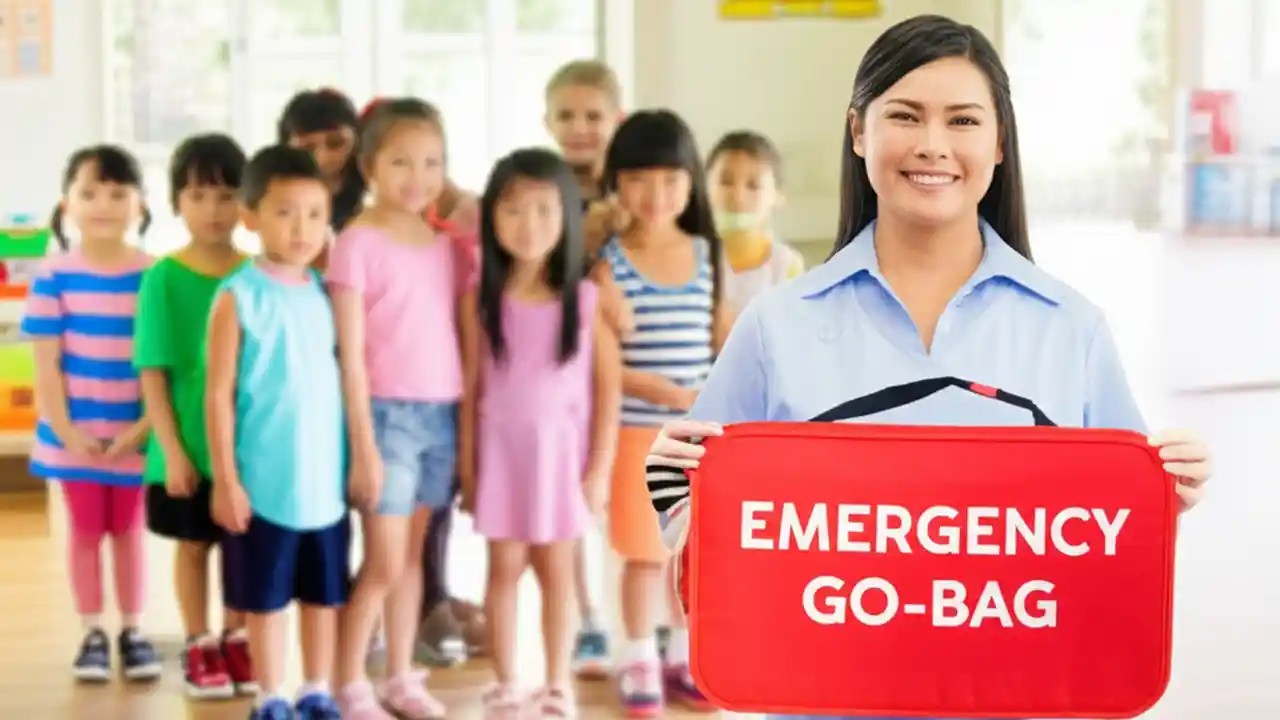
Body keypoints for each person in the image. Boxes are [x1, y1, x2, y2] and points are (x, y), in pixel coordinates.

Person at [642, 16, 1213, 720]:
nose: (933, 145)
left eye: (964, 120)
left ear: (1000, 143)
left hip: (1013, 701)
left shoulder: (1073, 329)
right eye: (905, 116)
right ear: (859, 132)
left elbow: (1103, 556)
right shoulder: (776, 326)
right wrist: (679, 490)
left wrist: (1166, 497)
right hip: (825, 702)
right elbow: (710, 546)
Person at [458, 147, 622, 719]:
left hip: (561, 463)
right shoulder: (481, 300)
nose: (529, 226)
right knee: (502, 570)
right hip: (502, 459)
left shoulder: (585, 298)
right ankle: (507, 681)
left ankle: (556, 683)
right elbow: (472, 391)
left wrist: (599, 470)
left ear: (568, 219)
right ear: (491, 219)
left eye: (544, 211)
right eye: (513, 211)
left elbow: (608, 393)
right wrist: (469, 466)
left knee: (557, 572)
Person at [328, 98, 463, 720]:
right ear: (368, 165)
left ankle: (401, 676)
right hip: (384, 420)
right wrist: (363, 446)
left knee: (412, 559)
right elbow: (350, 357)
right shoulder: (355, 243)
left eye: (432, 162)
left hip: (442, 416)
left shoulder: (446, 245)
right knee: (381, 560)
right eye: (402, 161)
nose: (418, 175)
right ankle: (347, 682)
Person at [594, 109, 731, 716]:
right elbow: (597, 366)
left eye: (671, 179)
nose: (655, 195)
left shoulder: (707, 253)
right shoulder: (607, 263)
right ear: (616, 184)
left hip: (696, 437)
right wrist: (655, 388)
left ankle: (683, 654)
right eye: (638, 179)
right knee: (644, 555)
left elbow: (722, 341)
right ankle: (640, 654)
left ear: (691, 183)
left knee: (692, 555)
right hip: (633, 435)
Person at [207, 145, 348, 720]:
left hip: (326, 487)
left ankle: (316, 687)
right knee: (266, 601)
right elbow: (217, 393)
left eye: (316, 214)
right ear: (250, 217)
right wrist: (226, 480)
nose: (302, 227)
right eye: (286, 212)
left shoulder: (327, 292)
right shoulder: (238, 296)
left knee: (323, 596)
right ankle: (270, 696)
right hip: (264, 484)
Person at [22, 145, 160, 684]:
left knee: (128, 529)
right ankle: (92, 632)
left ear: (141, 207)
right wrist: (66, 430)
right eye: (89, 192)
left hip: (135, 436)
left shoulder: (155, 276)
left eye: (118, 192)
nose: (104, 203)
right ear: (66, 206)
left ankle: (133, 630)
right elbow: (46, 364)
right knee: (85, 530)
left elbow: (162, 364)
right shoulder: (53, 276)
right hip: (73, 437)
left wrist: (143, 429)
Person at [135, 133, 255, 700]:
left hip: (244, 446)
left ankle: (237, 635)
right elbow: (152, 372)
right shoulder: (163, 277)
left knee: (240, 542)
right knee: (193, 546)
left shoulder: (255, 273)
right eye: (200, 195)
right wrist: (174, 450)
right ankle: (197, 640)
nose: (214, 210)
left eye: (228, 194)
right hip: (183, 442)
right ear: (177, 201)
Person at [543, 56, 628, 680]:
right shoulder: (542, 192)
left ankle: (646, 625)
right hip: (565, 370)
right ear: (546, 121)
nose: (580, 128)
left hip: (636, 370)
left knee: (627, 501)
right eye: (566, 116)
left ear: (616, 119)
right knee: (574, 497)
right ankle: (586, 616)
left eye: (593, 116)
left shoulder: (634, 189)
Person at [705, 131, 806, 314]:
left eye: (753, 185)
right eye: (725, 182)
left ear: (778, 196)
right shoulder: (691, 257)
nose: (738, 197)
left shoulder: (787, 265)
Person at [279, 88, 365, 233]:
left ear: (357, 140)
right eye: (307, 148)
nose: (322, 157)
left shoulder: (374, 192)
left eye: (336, 143)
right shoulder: (274, 193)